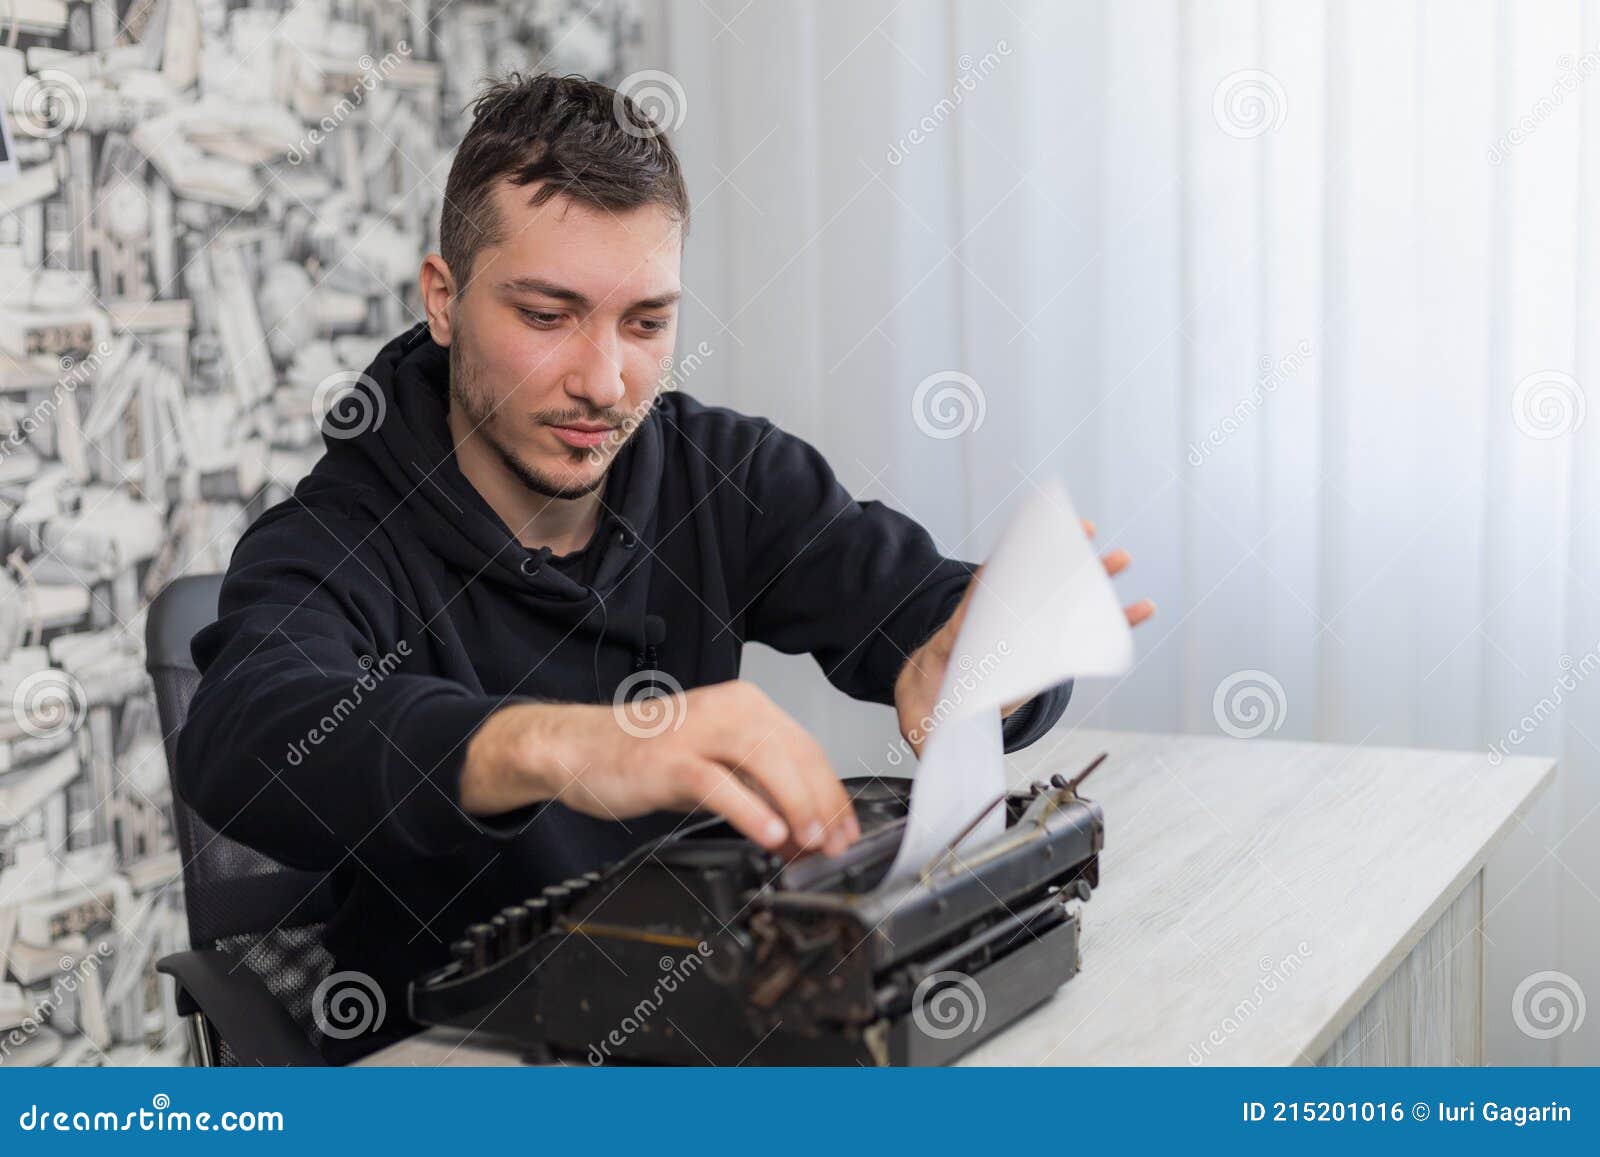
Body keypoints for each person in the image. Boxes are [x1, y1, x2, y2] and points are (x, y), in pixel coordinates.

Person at [176, 73, 1153, 1062]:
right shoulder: (343, 530)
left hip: (698, 1027)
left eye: (644, 323)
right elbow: (244, 734)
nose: (603, 382)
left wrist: (991, 657)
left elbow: (927, 612)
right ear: (444, 299)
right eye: (548, 315)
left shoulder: (716, 474)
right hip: (464, 1049)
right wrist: (569, 746)